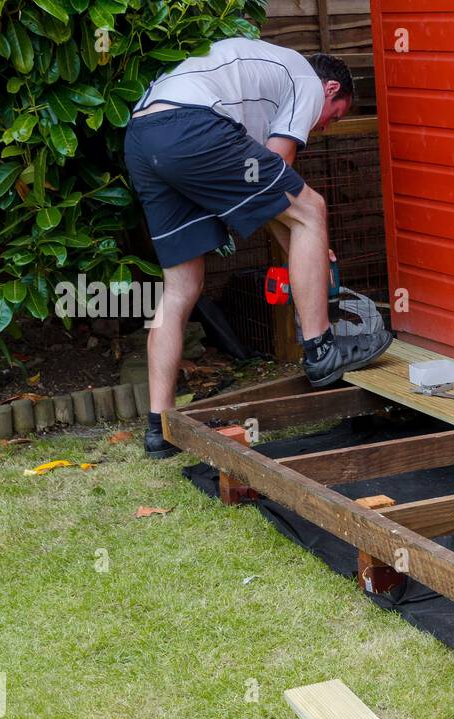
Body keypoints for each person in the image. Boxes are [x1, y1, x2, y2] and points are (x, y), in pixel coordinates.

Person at [123, 37, 393, 459]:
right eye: (334, 117)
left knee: (181, 287)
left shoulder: (253, 97)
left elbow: (266, 195)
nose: (323, 128)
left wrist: (302, 245)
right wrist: (310, 239)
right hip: (189, 125)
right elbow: (280, 174)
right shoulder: (305, 79)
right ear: (331, 90)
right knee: (313, 207)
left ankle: (159, 428)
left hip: (143, 135)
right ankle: (321, 349)